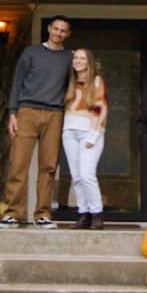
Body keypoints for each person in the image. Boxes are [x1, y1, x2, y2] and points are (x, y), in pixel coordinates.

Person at [0, 15, 74, 227]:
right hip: (27, 111)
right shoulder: (31, 52)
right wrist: (13, 113)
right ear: (49, 29)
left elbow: (76, 85)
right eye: (56, 29)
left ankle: (43, 214)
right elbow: (17, 82)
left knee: (48, 167)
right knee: (18, 163)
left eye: (63, 31)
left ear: (68, 34)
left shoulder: (68, 59)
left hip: (54, 114)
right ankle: (12, 213)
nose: (58, 33)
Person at [60, 48, 108, 229]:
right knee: (77, 176)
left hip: (89, 132)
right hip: (69, 132)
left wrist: (95, 133)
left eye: (82, 58)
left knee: (87, 174)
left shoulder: (96, 81)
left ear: (89, 61)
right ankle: (83, 214)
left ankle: (96, 214)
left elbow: (101, 108)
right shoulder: (70, 82)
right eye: (76, 58)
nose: (78, 61)